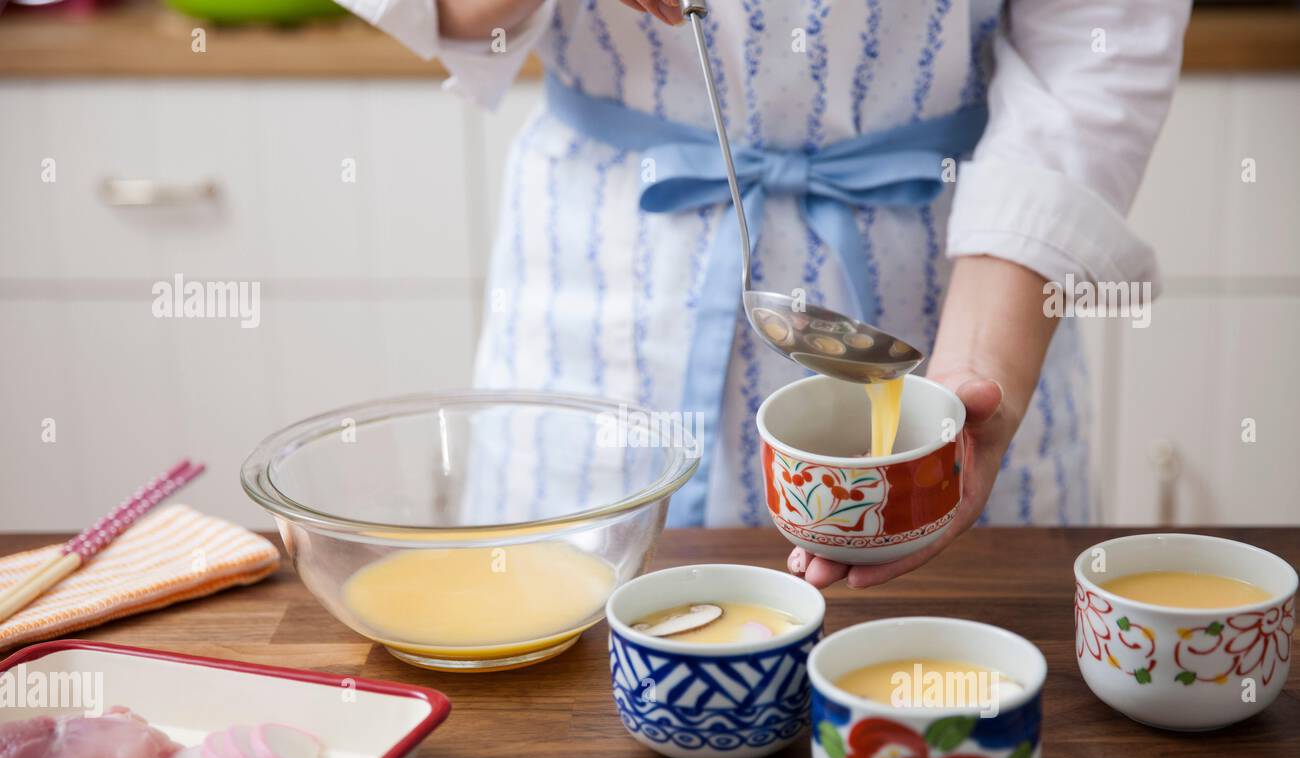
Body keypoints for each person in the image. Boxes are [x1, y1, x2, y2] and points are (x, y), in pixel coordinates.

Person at [340, 0, 1188, 587]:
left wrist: (977, 363)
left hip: (972, 275)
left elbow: (1096, 43)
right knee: (574, 712)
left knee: (952, 689)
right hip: (604, 280)